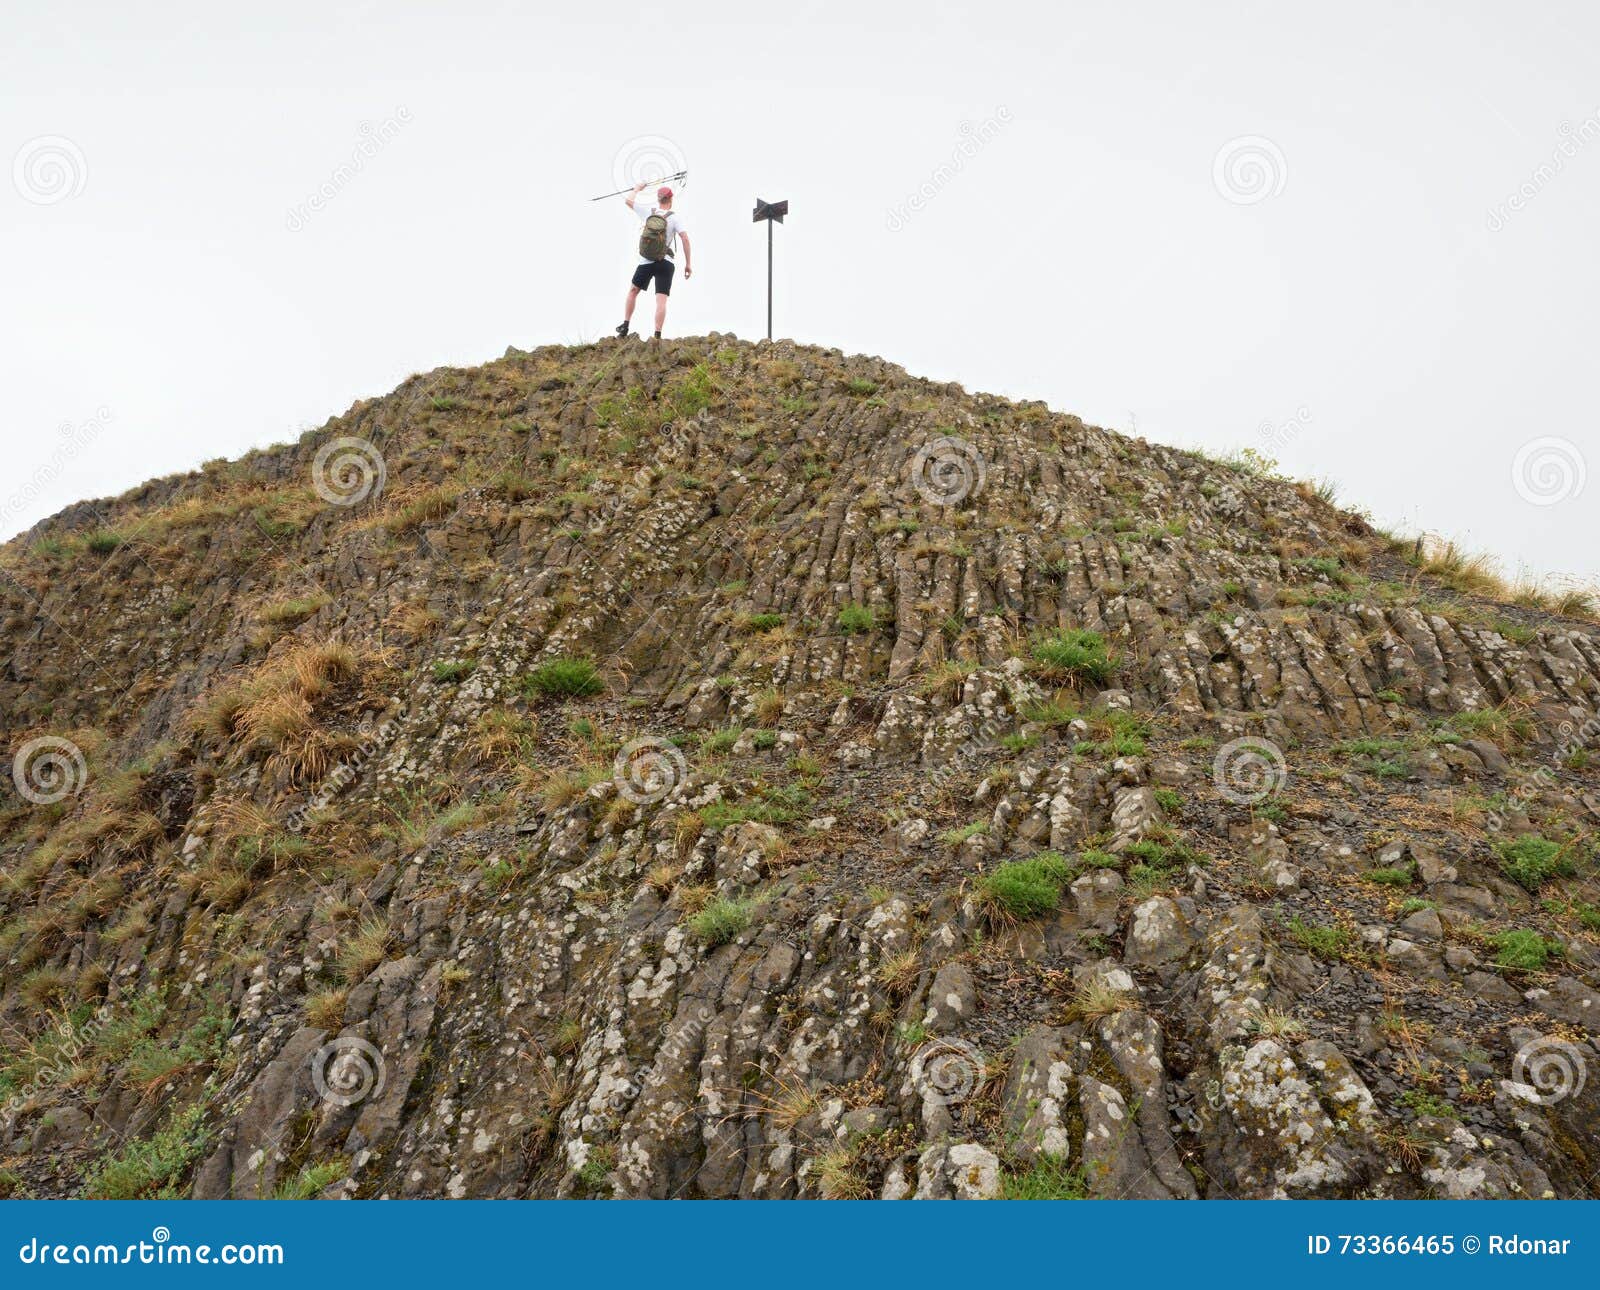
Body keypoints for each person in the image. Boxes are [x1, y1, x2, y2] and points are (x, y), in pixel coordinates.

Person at [616, 181, 692, 340]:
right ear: (671, 200)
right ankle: (657, 335)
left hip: (646, 261)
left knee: (633, 291)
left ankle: (625, 325)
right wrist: (688, 264)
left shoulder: (648, 212)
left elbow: (628, 201)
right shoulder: (675, 218)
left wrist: (637, 188)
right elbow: (685, 238)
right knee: (661, 300)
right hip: (666, 262)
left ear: (658, 200)